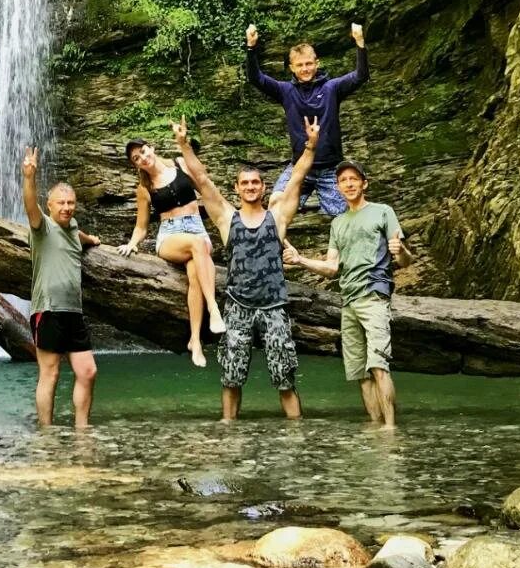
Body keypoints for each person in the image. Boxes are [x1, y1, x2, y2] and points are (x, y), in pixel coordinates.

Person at [180, 114, 322, 421]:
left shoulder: (278, 218)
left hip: (275, 307)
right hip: (237, 307)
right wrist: (183, 145)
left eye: (255, 182)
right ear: (236, 188)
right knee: (231, 377)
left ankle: (296, 434)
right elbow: (202, 180)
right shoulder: (226, 218)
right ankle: (229, 430)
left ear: (264, 187)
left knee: (285, 377)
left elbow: (297, 178)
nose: (250, 187)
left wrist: (310, 147)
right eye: (244, 183)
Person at [284, 159, 413, 427]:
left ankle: (390, 428)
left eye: (354, 178)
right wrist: (300, 260)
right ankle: (376, 425)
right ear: (338, 188)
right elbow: (332, 268)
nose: (349, 183)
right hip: (349, 301)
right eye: (343, 180)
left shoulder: (382, 212)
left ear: (364, 183)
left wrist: (401, 251)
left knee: (378, 365)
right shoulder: (338, 223)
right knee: (360, 373)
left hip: (374, 295)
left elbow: (404, 261)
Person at [118, 132, 226, 367]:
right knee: (198, 245)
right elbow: (141, 226)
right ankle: (213, 308)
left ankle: (194, 341)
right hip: (170, 236)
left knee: (195, 275)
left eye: (143, 151)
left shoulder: (180, 164)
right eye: (136, 158)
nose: (142, 158)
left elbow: (205, 185)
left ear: (151, 147)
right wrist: (132, 243)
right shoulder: (144, 189)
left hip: (196, 227)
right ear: (135, 165)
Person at [245, 21, 368, 217]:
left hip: (330, 169)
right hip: (300, 166)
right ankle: (281, 247)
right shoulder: (285, 91)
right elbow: (256, 78)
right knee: (276, 205)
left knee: (349, 215)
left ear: (317, 63)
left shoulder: (332, 88)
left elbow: (360, 76)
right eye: (300, 65)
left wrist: (360, 43)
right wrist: (251, 47)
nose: (305, 69)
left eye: (309, 63)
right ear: (292, 68)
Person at [23, 146, 101, 428]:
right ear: (49, 205)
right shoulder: (41, 227)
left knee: (88, 371)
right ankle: (46, 430)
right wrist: (29, 177)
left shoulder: (71, 227)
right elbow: (29, 206)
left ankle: (82, 429)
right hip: (49, 309)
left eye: (71, 203)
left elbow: (76, 232)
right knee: (50, 373)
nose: (67, 207)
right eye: (61, 203)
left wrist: (91, 239)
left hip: (73, 312)